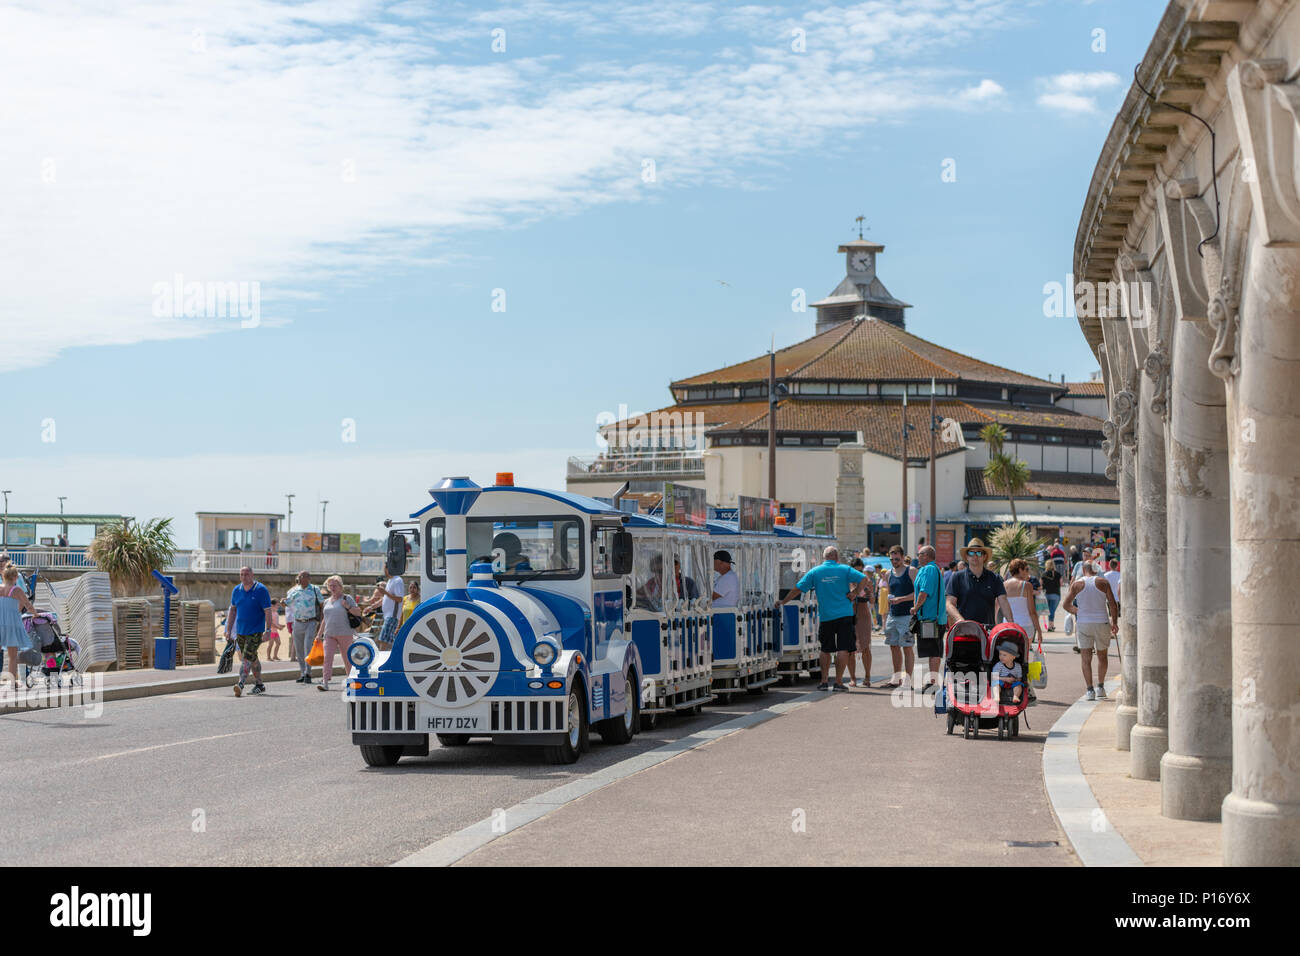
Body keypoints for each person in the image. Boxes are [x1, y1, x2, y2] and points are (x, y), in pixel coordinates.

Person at [777, 546, 867, 692]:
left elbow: (797, 588)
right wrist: (855, 592)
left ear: (824, 558)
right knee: (843, 648)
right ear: (837, 557)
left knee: (825, 649)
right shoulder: (845, 569)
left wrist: (783, 601)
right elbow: (864, 579)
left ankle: (824, 681)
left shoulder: (816, 572)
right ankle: (838, 682)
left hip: (826, 616)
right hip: (845, 614)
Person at [1061, 560, 1119, 701]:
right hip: (1101, 622)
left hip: (1084, 623)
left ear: (1083, 569)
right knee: (1102, 656)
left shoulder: (1077, 584)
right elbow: (1112, 604)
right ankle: (1100, 686)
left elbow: (1066, 605)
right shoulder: (1103, 582)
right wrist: (1115, 622)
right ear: (1096, 568)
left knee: (1085, 658)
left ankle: (1089, 690)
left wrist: (1078, 611)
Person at [225, 566, 274, 697]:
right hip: (241, 630)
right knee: (252, 658)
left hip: (256, 631)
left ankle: (240, 684)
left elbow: (268, 611)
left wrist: (268, 630)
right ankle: (259, 684)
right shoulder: (236, 590)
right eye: (241, 574)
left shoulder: (261, 590)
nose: (244, 577)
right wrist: (228, 629)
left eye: (247, 574)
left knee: (246, 657)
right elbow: (233, 610)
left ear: (252, 575)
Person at [945, 539, 1015, 629]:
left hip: (987, 631)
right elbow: (949, 603)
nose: (975, 556)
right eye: (971, 553)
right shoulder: (957, 577)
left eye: (979, 553)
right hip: (964, 631)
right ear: (967, 556)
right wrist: (961, 620)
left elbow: (1004, 602)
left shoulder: (995, 578)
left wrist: (1012, 624)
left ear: (984, 556)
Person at [880, 545, 917, 689]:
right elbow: (890, 594)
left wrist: (901, 599)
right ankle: (896, 679)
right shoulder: (888, 573)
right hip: (893, 615)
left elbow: (918, 594)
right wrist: (890, 607)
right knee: (893, 646)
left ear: (902, 557)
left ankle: (907, 681)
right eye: (891, 559)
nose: (894, 561)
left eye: (896, 558)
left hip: (907, 616)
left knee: (907, 647)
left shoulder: (911, 571)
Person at [912, 545, 947, 691]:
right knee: (934, 650)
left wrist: (916, 608)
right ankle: (933, 681)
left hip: (931, 619)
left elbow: (924, 592)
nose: (917, 557)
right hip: (935, 618)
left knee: (933, 651)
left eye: (919, 554)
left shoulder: (928, 569)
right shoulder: (934, 569)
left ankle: (933, 683)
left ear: (926, 555)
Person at [319, 575, 361, 691]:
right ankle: (325, 682)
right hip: (329, 634)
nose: (332, 588)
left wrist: (347, 607)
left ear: (340, 587)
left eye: (335, 585)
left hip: (345, 633)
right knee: (327, 658)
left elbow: (358, 612)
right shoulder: (326, 601)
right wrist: (319, 634)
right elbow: (325, 619)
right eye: (330, 585)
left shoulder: (347, 598)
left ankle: (351, 681)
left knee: (347, 659)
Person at [1, 565, 38, 683]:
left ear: (3, 576)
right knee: (12, 657)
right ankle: (12, 682)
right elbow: (28, 605)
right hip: (12, 624)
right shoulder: (17, 590)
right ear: (16, 577)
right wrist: (35, 614)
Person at [284, 571, 323, 684]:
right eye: (299, 576)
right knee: (299, 649)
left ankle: (308, 673)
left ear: (308, 578)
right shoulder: (295, 590)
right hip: (297, 622)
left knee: (307, 648)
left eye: (303, 576)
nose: (300, 578)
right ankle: (302, 672)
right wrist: (282, 602)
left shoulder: (315, 589)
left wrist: (321, 621)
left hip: (310, 622)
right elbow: (287, 602)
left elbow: (322, 605)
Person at [846, 557, 876, 688]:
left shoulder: (867, 581)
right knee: (850, 649)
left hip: (863, 614)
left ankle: (867, 677)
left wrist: (869, 592)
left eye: (860, 570)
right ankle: (853, 678)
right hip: (849, 613)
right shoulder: (846, 581)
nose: (858, 573)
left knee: (865, 647)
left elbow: (873, 601)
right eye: (855, 571)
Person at [1003, 559, 1043, 646]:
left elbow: (997, 608)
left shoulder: (1004, 585)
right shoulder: (1027, 585)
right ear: (1020, 570)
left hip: (1007, 626)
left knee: (1009, 655)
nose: (1028, 572)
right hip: (1025, 625)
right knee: (1024, 656)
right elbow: (1032, 612)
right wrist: (1039, 631)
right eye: (1026, 569)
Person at [365, 565, 405, 651]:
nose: (384, 571)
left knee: (383, 640)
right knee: (388, 640)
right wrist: (371, 607)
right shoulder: (391, 581)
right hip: (388, 616)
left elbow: (399, 598)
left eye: (384, 568)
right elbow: (385, 599)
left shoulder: (397, 580)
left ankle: (382, 660)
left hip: (392, 616)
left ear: (388, 568)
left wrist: (385, 592)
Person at [1041, 560, 1062, 631]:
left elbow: (1040, 584)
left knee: (1050, 610)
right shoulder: (1058, 574)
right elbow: (1061, 583)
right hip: (1056, 594)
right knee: (1052, 610)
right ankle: (1050, 626)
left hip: (1046, 594)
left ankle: (1051, 625)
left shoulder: (1043, 574)